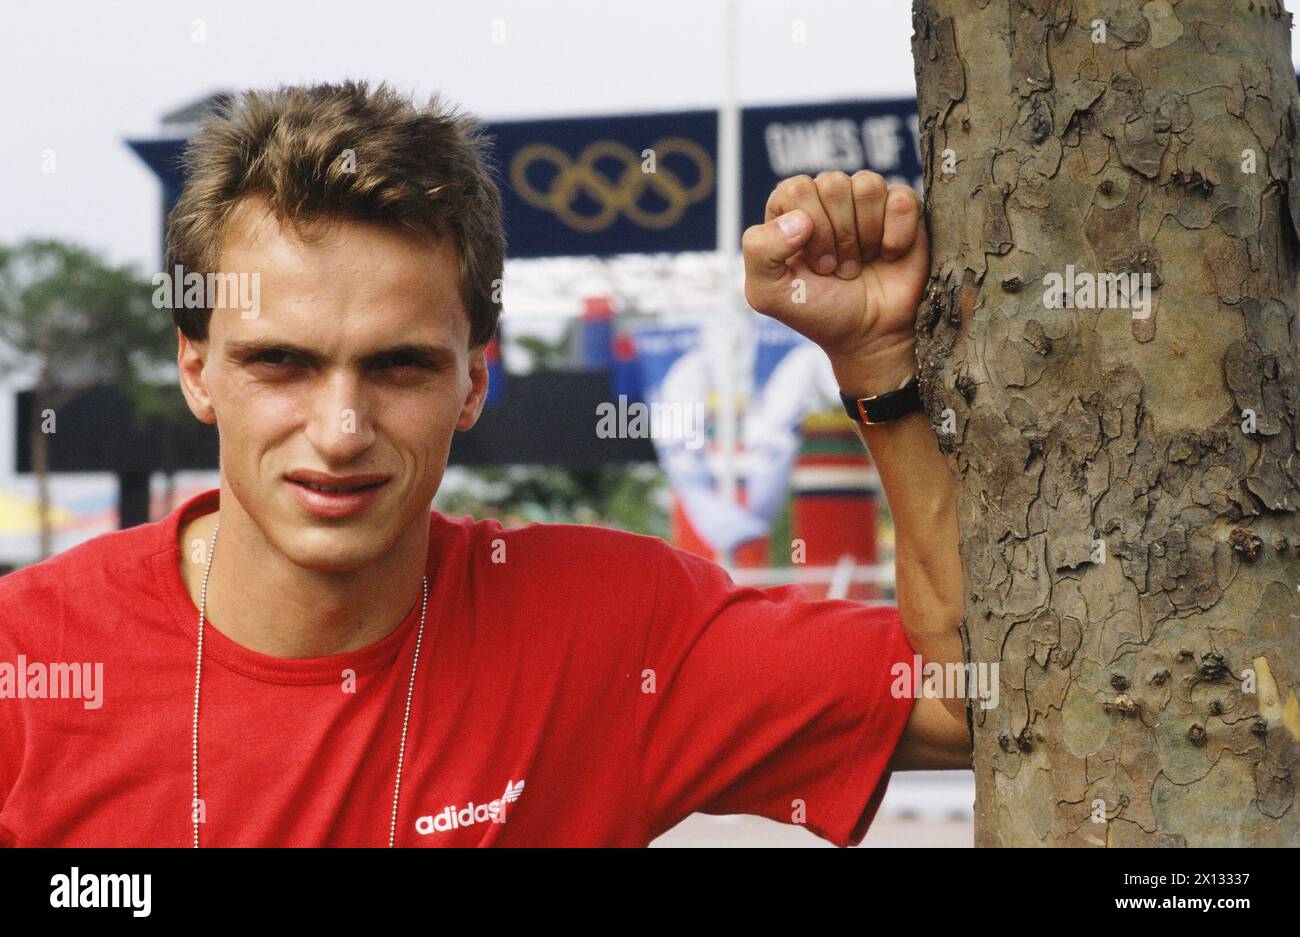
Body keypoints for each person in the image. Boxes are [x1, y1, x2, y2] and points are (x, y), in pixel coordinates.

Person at [0, 81, 969, 847]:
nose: (340, 429)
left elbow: (976, 700)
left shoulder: (608, 632)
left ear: (472, 381)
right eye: (282, 362)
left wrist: (879, 366)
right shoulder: (29, 665)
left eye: (398, 365)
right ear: (197, 368)